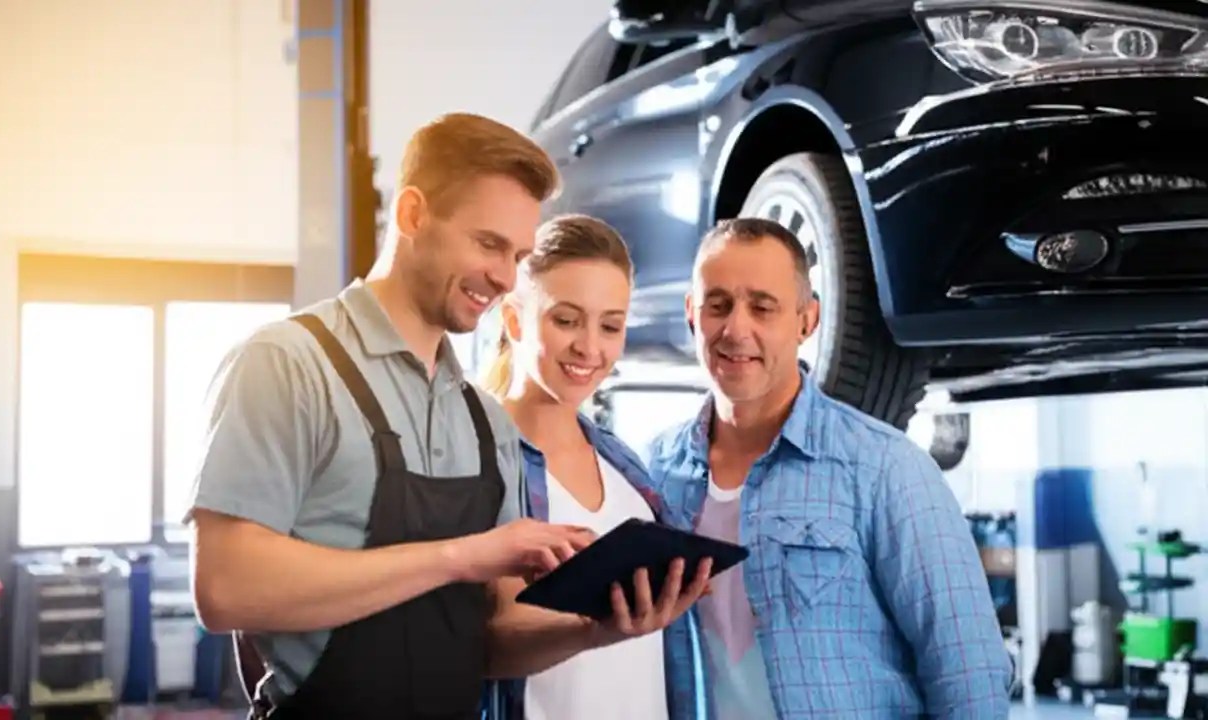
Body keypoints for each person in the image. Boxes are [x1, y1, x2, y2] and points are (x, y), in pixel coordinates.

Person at [184, 112, 600, 720]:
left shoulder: (486, 422)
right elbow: (224, 590)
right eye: (487, 244)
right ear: (411, 215)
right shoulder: (289, 365)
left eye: (517, 255)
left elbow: (492, 638)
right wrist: (463, 554)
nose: (506, 278)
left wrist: (595, 630)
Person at [642, 218, 1014, 719]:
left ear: (806, 319)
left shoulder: (883, 468)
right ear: (692, 313)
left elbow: (969, 670)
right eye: (718, 304)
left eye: (762, 306)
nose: (736, 329)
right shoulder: (656, 474)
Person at [479, 214, 712, 720]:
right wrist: (595, 628)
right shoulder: (476, 460)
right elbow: (486, 644)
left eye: (610, 325)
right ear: (515, 321)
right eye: (565, 320)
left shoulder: (626, 467)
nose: (590, 346)